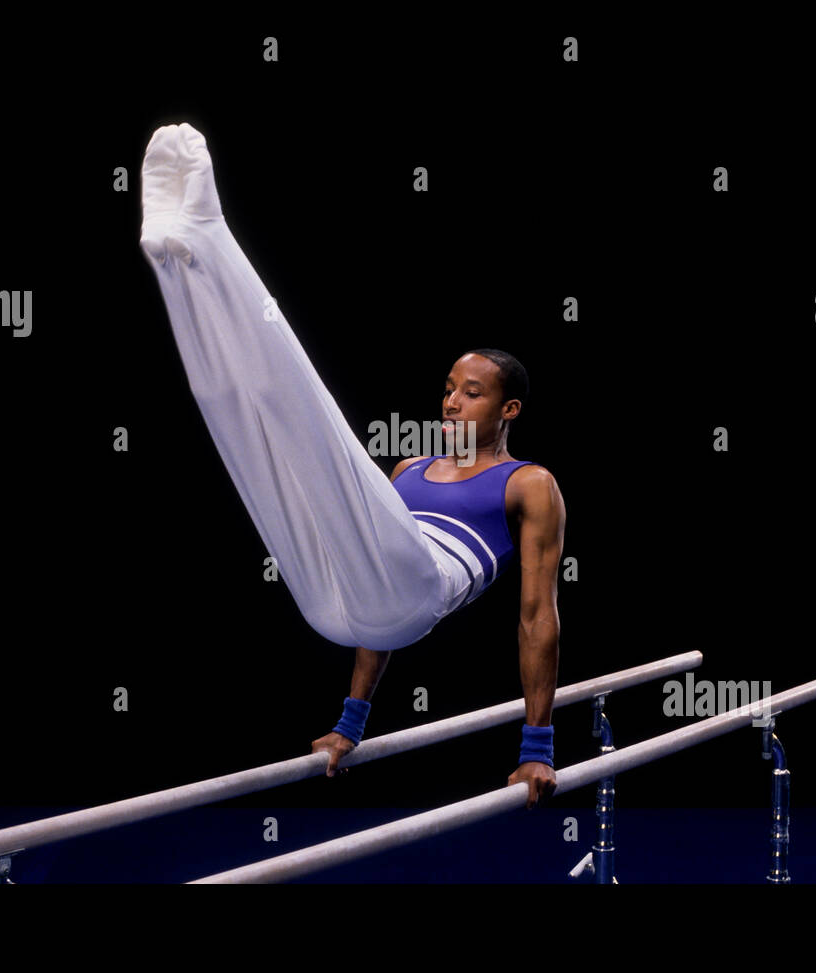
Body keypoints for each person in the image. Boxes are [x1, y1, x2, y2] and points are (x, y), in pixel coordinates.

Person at [140, 124, 565, 809]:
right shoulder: (408, 469)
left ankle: (208, 232)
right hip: (338, 605)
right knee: (245, 423)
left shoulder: (529, 483)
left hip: (416, 596)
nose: (453, 401)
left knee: (297, 411)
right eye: (450, 388)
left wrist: (537, 747)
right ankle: (178, 258)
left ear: (509, 407)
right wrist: (350, 724)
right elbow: (372, 597)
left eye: (473, 392)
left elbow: (537, 613)